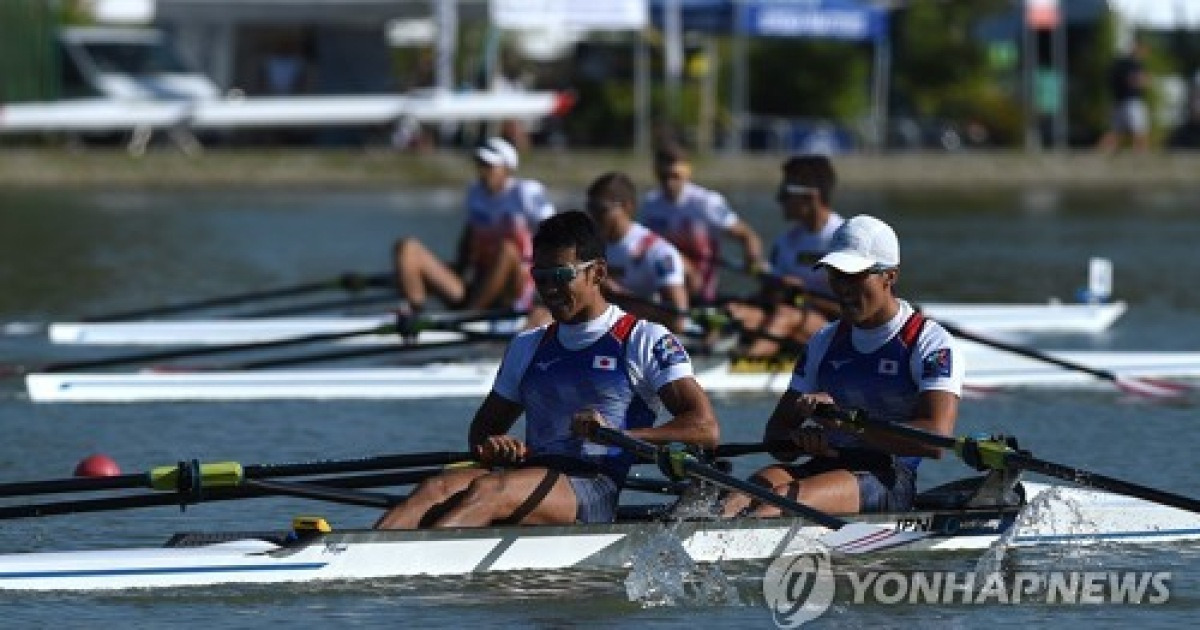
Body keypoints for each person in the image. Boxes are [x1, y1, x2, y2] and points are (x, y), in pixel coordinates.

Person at [375, 211, 719, 529]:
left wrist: (621, 434)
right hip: (527, 477)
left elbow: (704, 428)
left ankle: (413, 563)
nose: (548, 288)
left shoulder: (643, 339)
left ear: (597, 272)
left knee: (492, 490)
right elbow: (482, 430)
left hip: (592, 488)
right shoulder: (528, 345)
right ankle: (347, 559)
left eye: (561, 276)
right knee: (434, 488)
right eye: (539, 276)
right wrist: (494, 446)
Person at [721, 215, 964, 517]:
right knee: (734, 501)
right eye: (835, 275)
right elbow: (775, 435)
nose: (842, 288)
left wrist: (847, 424)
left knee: (774, 503)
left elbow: (937, 439)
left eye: (854, 276)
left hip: (888, 477)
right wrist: (802, 439)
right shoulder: (824, 339)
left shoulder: (928, 341)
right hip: (827, 463)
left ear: (889, 276)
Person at [393, 137, 555, 314]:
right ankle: (414, 312)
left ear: (508, 169)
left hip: (515, 288)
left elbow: (556, 235)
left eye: (489, 166)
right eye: (480, 165)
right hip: (478, 281)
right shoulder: (475, 192)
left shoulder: (525, 192)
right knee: (407, 248)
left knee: (507, 248)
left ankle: (471, 313)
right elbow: (467, 240)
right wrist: (450, 273)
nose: (483, 172)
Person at [724, 154, 844, 358]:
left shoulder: (843, 239)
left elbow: (863, 308)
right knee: (736, 313)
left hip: (839, 329)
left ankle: (747, 360)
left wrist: (804, 295)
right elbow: (771, 298)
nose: (779, 200)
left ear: (810, 197)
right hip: (792, 321)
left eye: (786, 193)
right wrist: (772, 286)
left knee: (785, 315)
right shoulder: (784, 242)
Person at [640, 144, 765, 305]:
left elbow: (747, 236)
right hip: (666, 285)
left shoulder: (706, 202)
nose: (669, 183)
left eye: (675, 176)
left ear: (687, 173)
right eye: (664, 177)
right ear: (656, 173)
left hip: (701, 288)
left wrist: (752, 259)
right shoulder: (651, 204)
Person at [585, 172, 691, 333]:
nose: (593, 217)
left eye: (601, 209)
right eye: (590, 208)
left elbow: (678, 320)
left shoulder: (659, 252)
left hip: (640, 335)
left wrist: (617, 297)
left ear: (627, 207)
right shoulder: (586, 246)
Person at [1097, 41, 1151, 154]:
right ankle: (1140, 153)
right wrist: (1144, 81)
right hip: (1131, 101)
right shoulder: (1133, 65)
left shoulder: (1119, 64)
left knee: (1116, 131)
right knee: (1139, 130)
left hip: (1119, 101)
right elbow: (1136, 80)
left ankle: (1100, 151)